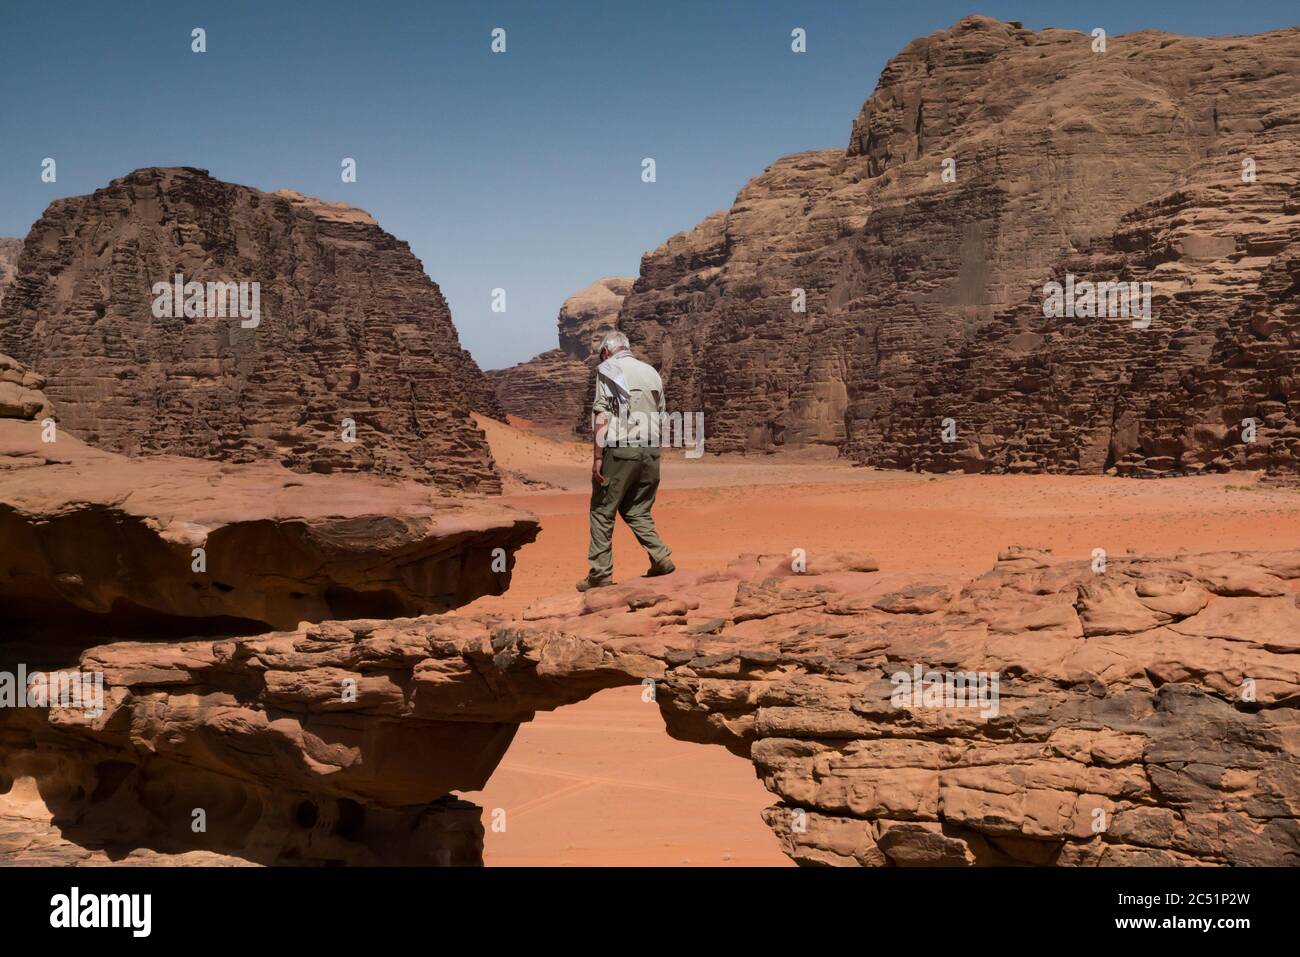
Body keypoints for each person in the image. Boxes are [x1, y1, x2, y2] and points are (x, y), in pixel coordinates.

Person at [577, 331, 675, 591]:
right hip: (650, 450)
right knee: (637, 509)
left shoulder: (609, 369)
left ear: (607, 352)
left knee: (602, 511)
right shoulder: (651, 372)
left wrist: (598, 456)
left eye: (601, 354)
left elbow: (602, 415)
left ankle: (600, 574)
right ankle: (661, 557)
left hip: (620, 449)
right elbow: (662, 413)